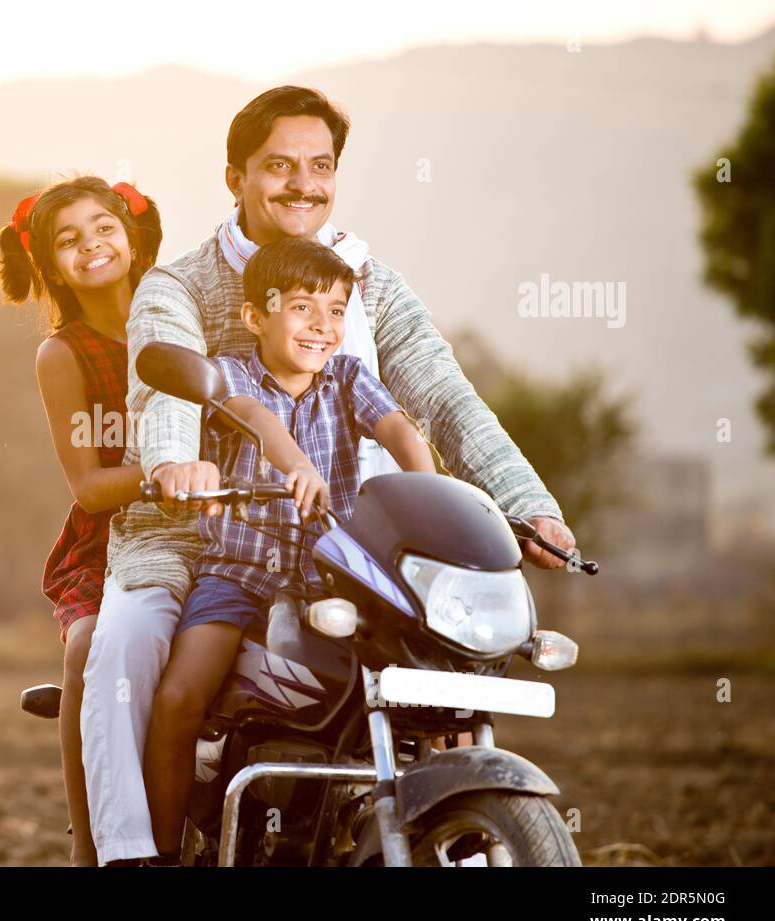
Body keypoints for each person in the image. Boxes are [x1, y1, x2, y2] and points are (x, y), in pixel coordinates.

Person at [80, 85, 576, 865]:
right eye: (277, 165)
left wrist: (521, 502)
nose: (301, 183)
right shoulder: (179, 284)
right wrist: (176, 459)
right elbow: (166, 389)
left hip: (348, 540)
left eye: (320, 165)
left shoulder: (369, 280)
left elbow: (439, 398)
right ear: (235, 177)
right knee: (126, 647)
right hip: (200, 528)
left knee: (445, 658)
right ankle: (132, 852)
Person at [143, 237, 436, 861]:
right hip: (241, 572)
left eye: (335, 311)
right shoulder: (232, 372)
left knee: (416, 684)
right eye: (303, 307)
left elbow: (399, 429)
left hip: (333, 580)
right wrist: (297, 466)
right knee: (178, 697)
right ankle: (158, 853)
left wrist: (430, 495)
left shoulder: (349, 377)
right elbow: (256, 417)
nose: (321, 326)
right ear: (256, 317)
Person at [0, 175, 161, 866]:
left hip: (217, 521)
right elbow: (91, 488)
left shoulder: (187, 320)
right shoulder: (62, 355)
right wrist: (167, 474)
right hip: (112, 538)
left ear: (132, 235)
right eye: (69, 240)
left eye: (102, 228)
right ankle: (90, 847)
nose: (91, 246)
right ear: (50, 266)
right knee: (86, 643)